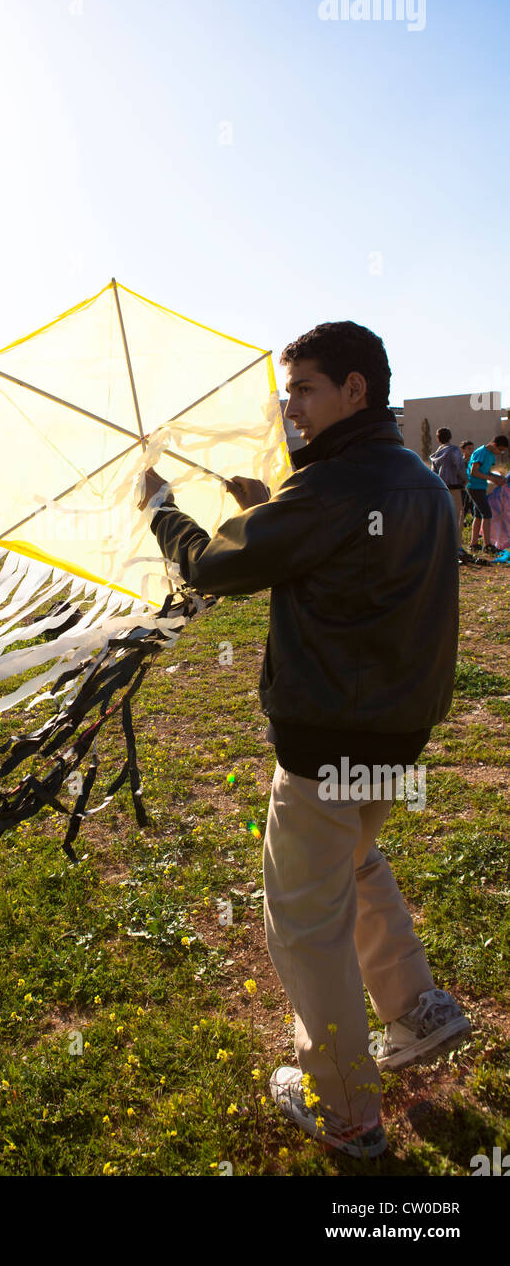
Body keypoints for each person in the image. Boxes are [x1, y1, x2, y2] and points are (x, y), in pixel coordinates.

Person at [138, 320, 467, 1161]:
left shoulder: (330, 488)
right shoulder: (415, 483)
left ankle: (345, 1105)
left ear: (357, 390)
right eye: (290, 395)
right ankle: (417, 1009)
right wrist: (268, 510)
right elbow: (349, 565)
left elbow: (213, 570)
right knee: (355, 864)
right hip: (398, 741)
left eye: (307, 391)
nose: (293, 412)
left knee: (303, 920)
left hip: (327, 743)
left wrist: (162, 511)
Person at [466, 435, 509, 554]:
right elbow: (473, 472)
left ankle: (473, 544)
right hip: (474, 487)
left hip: (481, 487)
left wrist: (497, 477)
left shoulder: (491, 455)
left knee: (479, 515)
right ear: (494, 445)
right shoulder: (481, 452)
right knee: (487, 514)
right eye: (500, 450)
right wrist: (491, 478)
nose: (500, 453)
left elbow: (486, 471)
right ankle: (487, 545)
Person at [429, 427, 467, 542]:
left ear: (438, 439)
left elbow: (433, 473)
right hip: (454, 487)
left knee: (443, 517)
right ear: (450, 437)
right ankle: (456, 545)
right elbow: (459, 467)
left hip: (440, 488)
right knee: (456, 517)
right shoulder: (454, 450)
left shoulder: (436, 454)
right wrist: (465, 479)